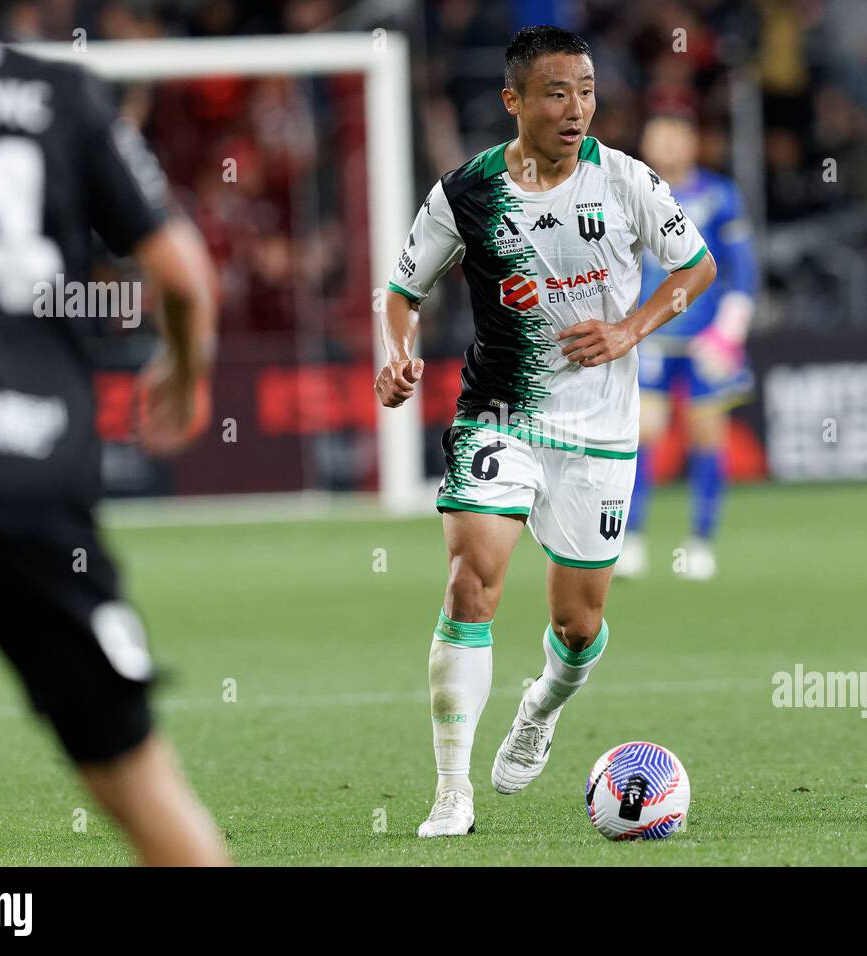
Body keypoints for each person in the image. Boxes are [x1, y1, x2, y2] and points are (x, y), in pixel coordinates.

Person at [0, 0, 227, 865]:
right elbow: (181, 276)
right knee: (134, 771)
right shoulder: (59, 92)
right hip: (32, 480)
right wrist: (183, 374)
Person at [375, 25, 716, 837]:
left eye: (588, 91)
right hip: (499, 413)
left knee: (579, 625)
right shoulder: (465, 192)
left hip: (599, 428)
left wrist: (630, 330)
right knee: (471, 581)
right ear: (515, 101)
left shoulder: (628, 181)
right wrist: (397, 355)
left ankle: (541, 704)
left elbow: (697, 266)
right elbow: (402, 289)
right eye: (558, 93)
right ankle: (451, 790)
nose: (577, 109)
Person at [616, 110, 758, 581]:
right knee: (643, 433)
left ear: (692, 143)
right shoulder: (630, 192)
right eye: (658, 135)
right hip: (653, 333)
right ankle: (630, 538)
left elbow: (742, 265)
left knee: (706, 433)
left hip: (706, 336)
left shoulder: (719, 195)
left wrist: (732, 327)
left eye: (675, 134)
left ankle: (701, 541)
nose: (667, 144)